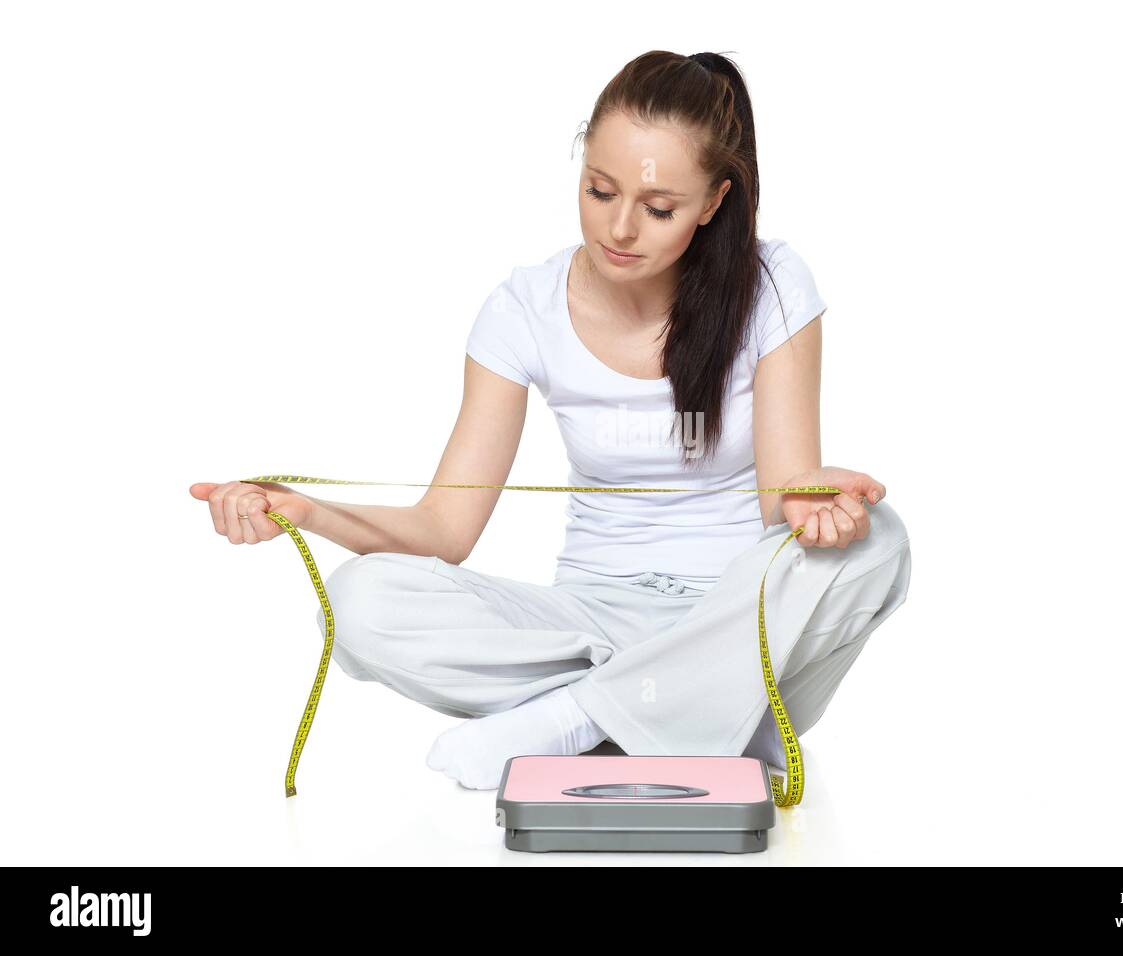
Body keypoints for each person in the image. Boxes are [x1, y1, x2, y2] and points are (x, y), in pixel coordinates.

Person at [189, 50, 912, 791]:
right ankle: (686, 722)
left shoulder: (773, 285)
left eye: (659, 209)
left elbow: (781, 503)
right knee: (359, 603)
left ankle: (573, 721)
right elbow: (444, 530)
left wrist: (813, 505)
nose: (621, 227)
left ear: (714, 201)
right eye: (599, 191)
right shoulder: (522, 311)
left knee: (878, 543)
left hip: (749, 628)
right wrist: (307, 510)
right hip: (589, 624)